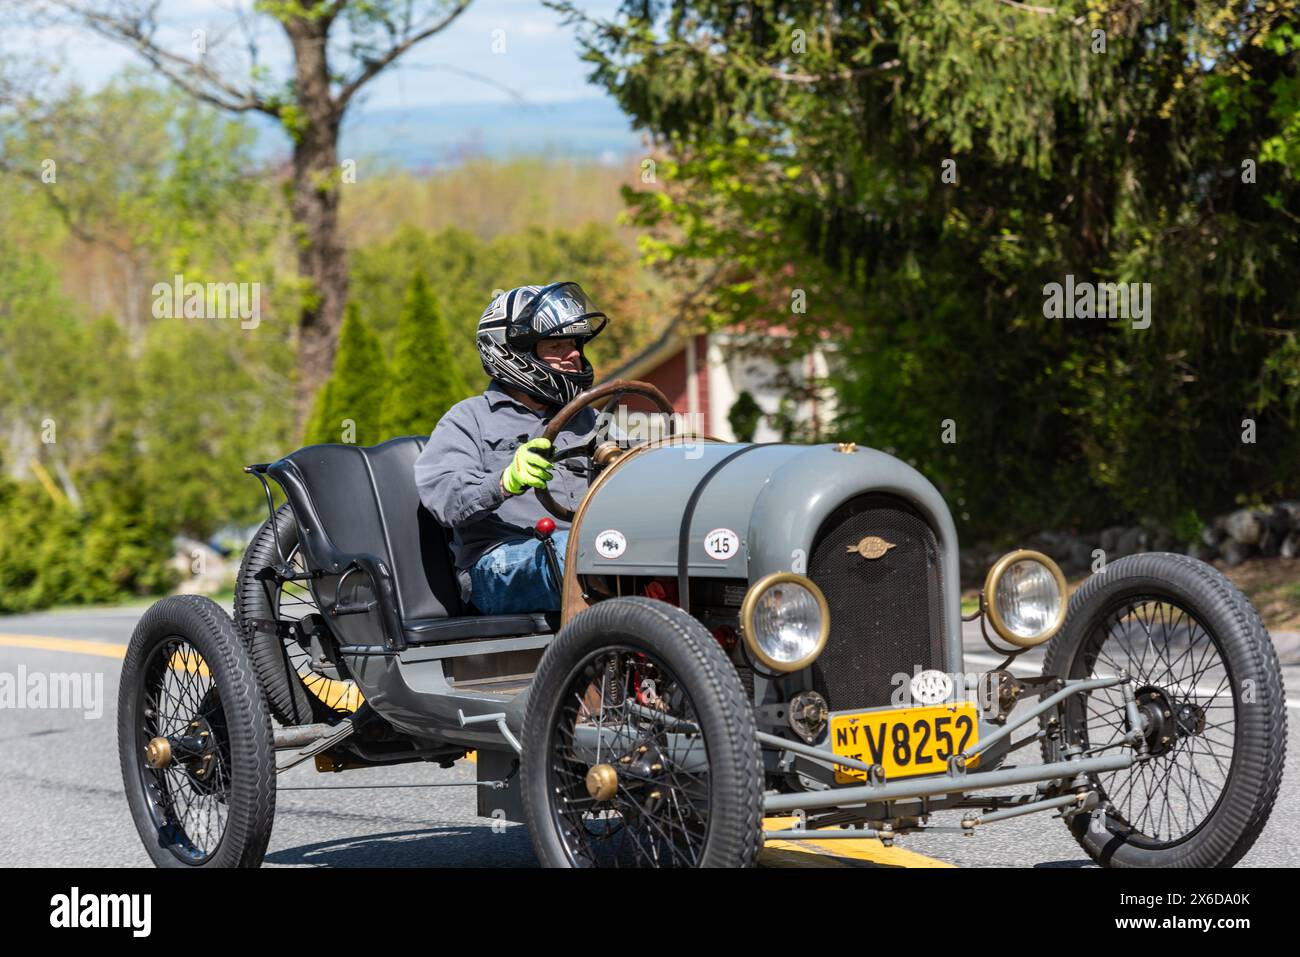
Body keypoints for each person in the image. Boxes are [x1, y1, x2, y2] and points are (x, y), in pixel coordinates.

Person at [413, 282, 606, 614]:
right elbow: (443, 496)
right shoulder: (468, 418)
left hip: (585, 551)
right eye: (557, 345)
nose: (573, 354)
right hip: (498, 563)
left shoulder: (592, 420)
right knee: (579, 553)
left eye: (574, 344)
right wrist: (505, 482)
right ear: (513, 353)